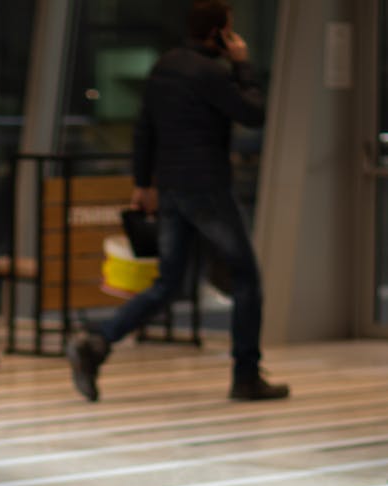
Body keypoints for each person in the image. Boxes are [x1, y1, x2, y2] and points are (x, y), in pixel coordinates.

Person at [66, 0, 289, 403]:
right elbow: (253, 113)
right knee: (247, 281)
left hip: (170, 188)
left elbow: (144, 128)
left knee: (168, 283)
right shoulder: (212, 73)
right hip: (207, 188)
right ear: (218, 33)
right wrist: (242, 64)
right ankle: (246, 376)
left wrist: (142, 182)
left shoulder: (164, 66)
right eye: (230, 31)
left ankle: (97, 341)